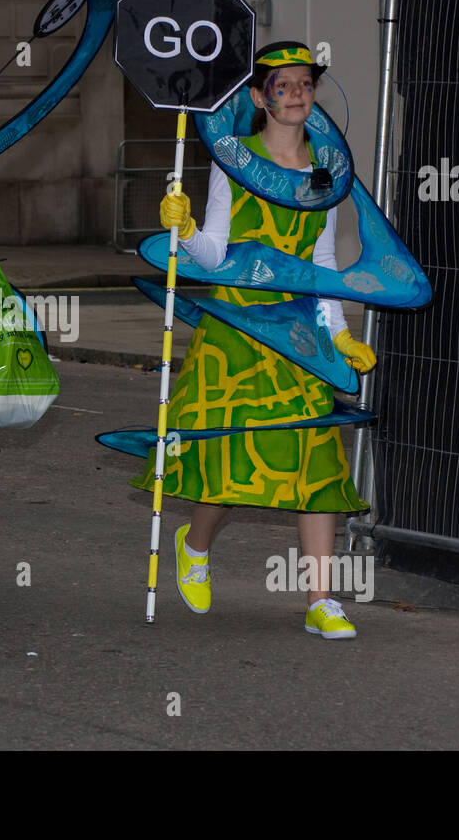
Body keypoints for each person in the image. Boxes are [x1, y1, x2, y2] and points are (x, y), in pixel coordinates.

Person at [141, 41, 377, 638]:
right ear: (257, 97)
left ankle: (321, 600)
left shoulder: (328, 173)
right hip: (238, 333)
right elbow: (215, 255)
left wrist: (340, 336)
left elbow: (320, 266)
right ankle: (194, 544)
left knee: (315, 459)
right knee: (229, 464)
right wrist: (186, 228)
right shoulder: (233, 160)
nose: (296, 93)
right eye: (282, 84)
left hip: (299, 336)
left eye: (304, 83)